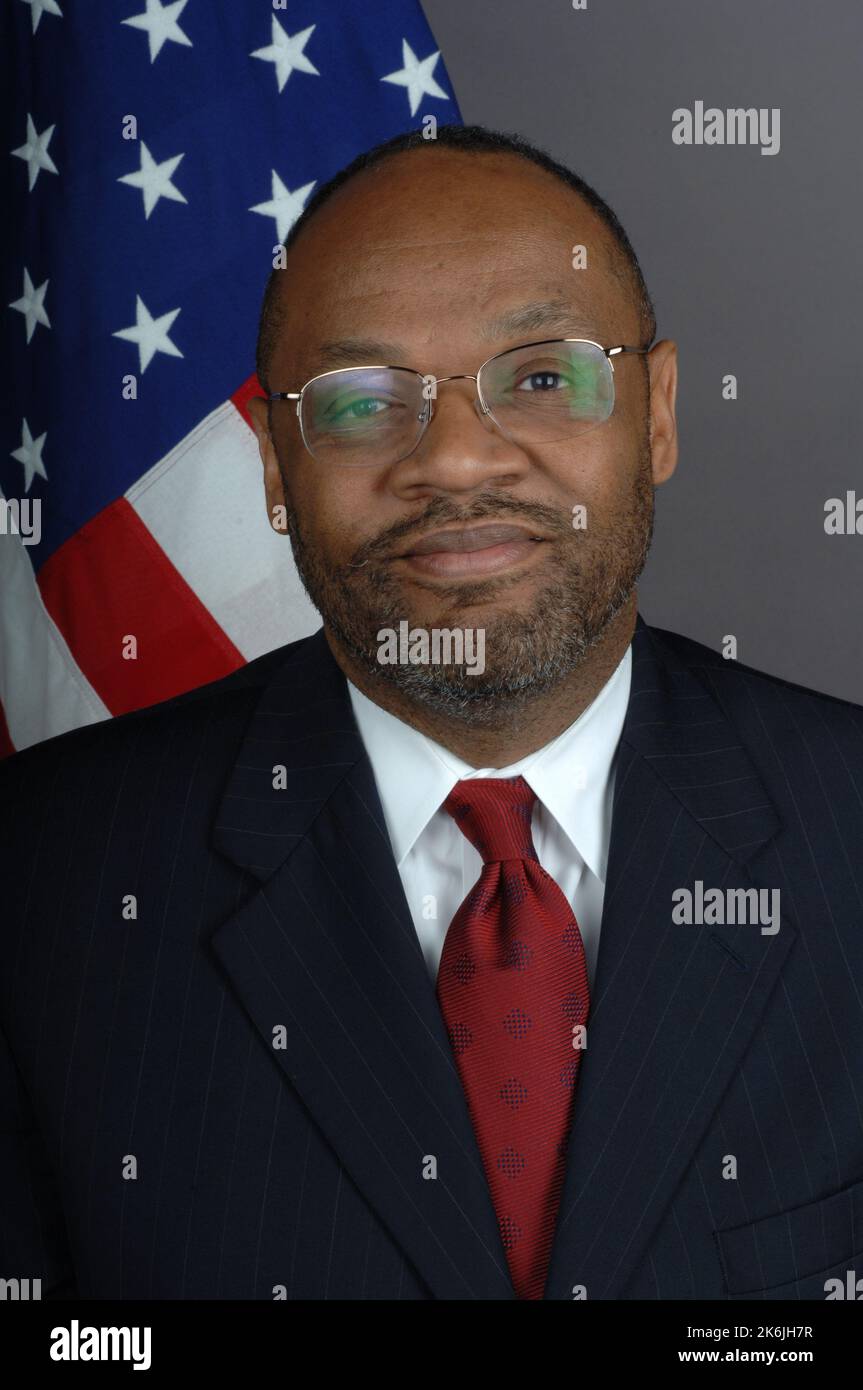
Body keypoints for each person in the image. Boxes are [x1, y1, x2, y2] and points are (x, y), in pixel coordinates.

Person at [1, 125, 862, 1302]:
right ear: (270, 465)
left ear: (656, 415)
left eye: (544, 375)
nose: (455, 460)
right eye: (360, 401)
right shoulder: (41, 880)